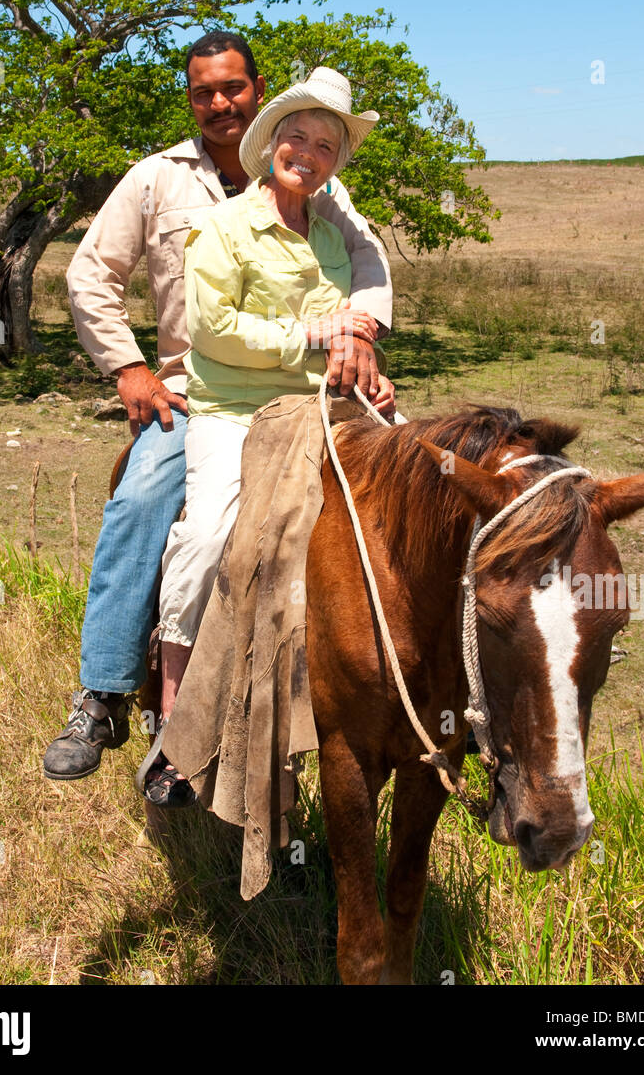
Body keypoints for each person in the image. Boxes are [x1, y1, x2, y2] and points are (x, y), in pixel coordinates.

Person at [42, 34, 392, 782]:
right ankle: (104, 691)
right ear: (191, 98)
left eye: (232, 88)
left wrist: (360, 334)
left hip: (310, 388)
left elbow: (366, 261)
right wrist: (129, 369)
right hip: (198, 389)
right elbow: (90, 273)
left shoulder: (318, 176)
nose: (219, 103)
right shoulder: (156, 179)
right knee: (143, 500)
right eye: (203, 92)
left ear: (258, 89)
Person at [139, 66, 395, 807]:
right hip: (238, 409)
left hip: (324, 403)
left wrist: (362, 360)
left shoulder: (329, 233)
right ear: (269, 143)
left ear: (333, 164)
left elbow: (349, 317)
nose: (306, 153)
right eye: (295, 136)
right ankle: (176, 721)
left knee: (429, 490)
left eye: (324, 144)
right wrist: (314, 335)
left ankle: (432, 701)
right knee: (210, 530)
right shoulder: (220, 227)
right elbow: (213, 334)